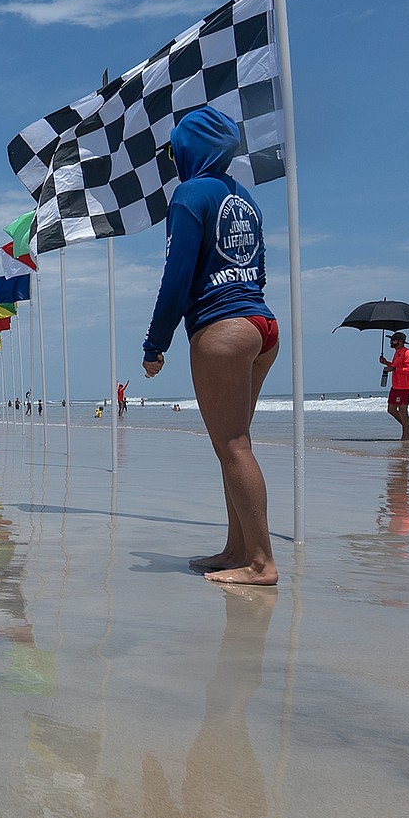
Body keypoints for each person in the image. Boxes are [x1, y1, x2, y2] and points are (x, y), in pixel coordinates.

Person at [140, 106, 280, 587]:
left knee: (232, 445)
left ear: (190, 148)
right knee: (236, 442)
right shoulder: (247, 201)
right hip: (262, 324)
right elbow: (259, 270)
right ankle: (236, 549)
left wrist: (155, 344)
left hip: (221, 328)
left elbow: (176, 277)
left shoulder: (189, 194)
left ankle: (262, 563)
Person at [380, 332, 409, 440]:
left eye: (393, 340)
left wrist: (395, 369)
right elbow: (394, 366)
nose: (391, 342)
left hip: (404, 387)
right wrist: (386, 363)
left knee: (402, 410)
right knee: (391, 409)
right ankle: (408, 430)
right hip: (396, 385)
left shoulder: (408, 353)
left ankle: (406, 435)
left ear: (400, 342)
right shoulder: (397, 352)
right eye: (391, 340)